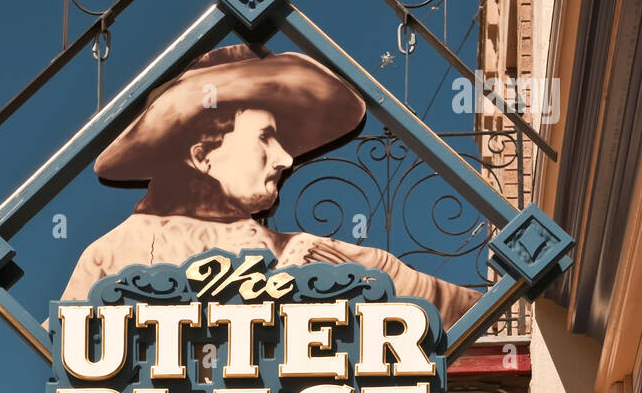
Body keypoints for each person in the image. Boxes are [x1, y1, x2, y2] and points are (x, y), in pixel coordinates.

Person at [62, 44, 479, 327]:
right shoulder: (114, 255)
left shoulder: (309, 252)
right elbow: (62, 348)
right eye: (265, 137)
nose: (285, 158)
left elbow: (467, 311)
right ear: (202, 155)